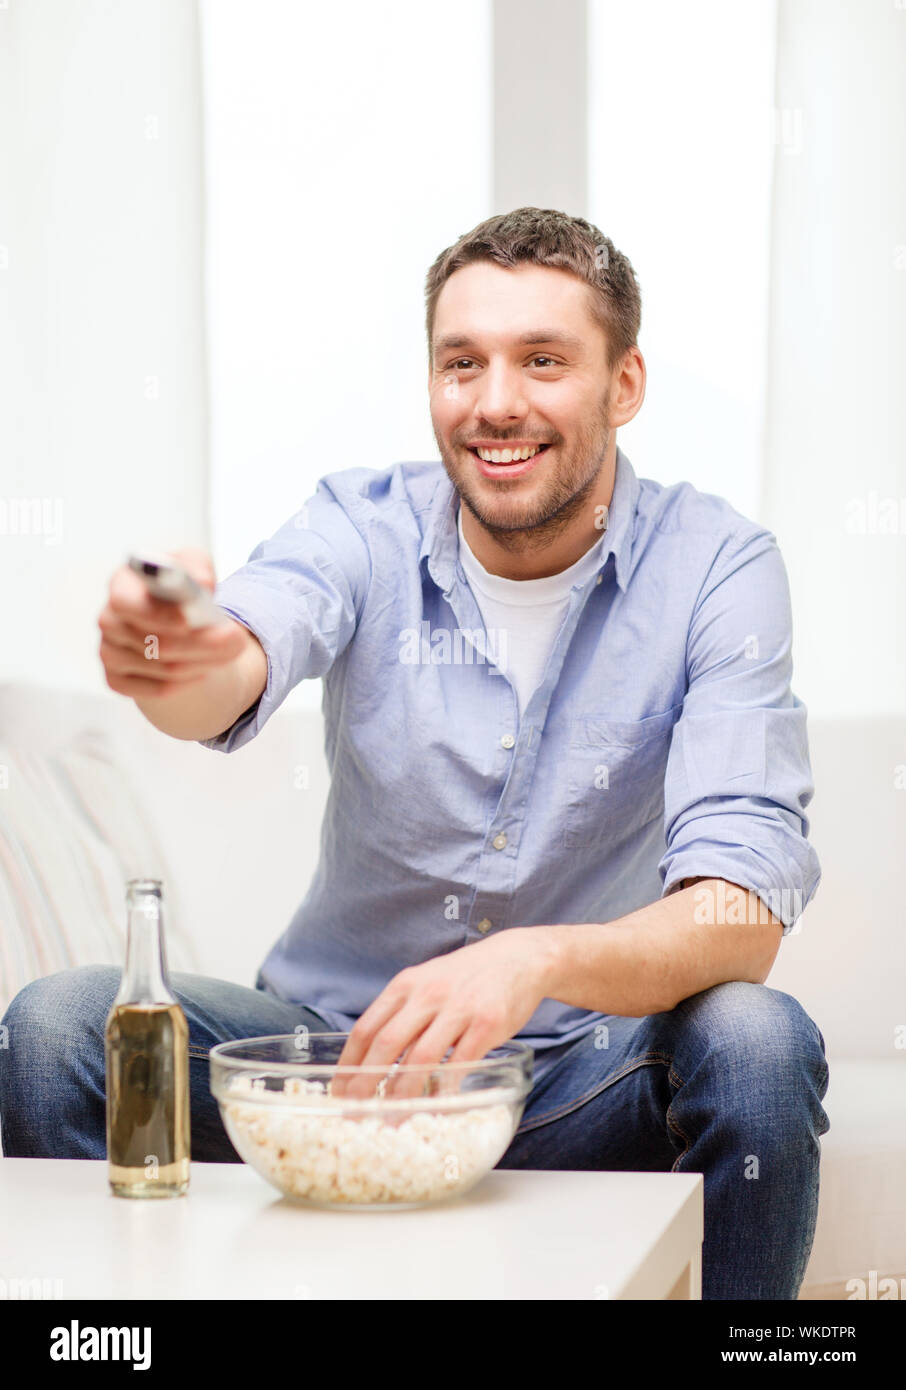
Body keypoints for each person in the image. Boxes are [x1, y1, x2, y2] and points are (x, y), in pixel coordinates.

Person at [0, 207, 829, 1299]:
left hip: (584, 1077)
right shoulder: (361, 522)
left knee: (759, 1042)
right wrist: (169, 647)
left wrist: (528, 960)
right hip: (335, 1063)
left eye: (543, 361)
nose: (495, 402)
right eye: (462, 362)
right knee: (58, 1025)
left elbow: (741, 913)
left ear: (624, 385)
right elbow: (230, 663)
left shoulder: (720, 566)